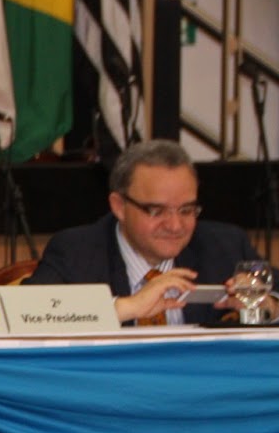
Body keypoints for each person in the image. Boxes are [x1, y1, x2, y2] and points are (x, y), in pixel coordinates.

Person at [26, 139, 264, 325]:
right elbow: (25, 314)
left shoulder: (225, 247)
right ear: (119, 206)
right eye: (156, 211)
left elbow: (272, 295)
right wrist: (126, 307)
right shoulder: (76, 251)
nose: (174, 225)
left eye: (186, 210)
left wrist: (267, 307)